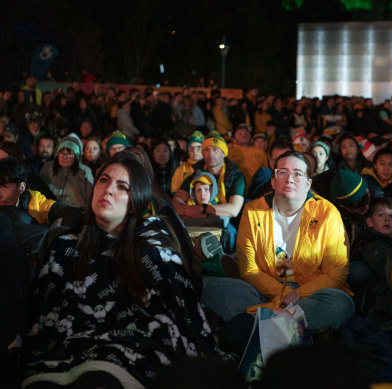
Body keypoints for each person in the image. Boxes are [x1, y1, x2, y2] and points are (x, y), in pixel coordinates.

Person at [22, 156, 213, 388]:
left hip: (131, 356)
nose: (109, 190)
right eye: (104, 180)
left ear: (135, 201)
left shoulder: (154, 250)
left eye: (122, 187)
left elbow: (175, 323)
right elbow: (43, 320)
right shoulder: (64, 245)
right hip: (65, 355)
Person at [202, 151, 354, 330]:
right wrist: (282, 295)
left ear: (308, 184)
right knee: (210, 286)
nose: (289, 179)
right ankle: (287, 329)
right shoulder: (253, 211)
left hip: (310, 294)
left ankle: (257, 327)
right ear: (273, 181)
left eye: (298, 174)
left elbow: (335, 274)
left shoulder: (328, 213)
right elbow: (249, 270)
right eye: (282, 172)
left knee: (339, 302)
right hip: (266, 290)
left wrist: (297, 294)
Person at [39, 134, 94, 209]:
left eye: (69, 153)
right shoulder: (48, 167)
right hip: (50, 211)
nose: (64, 157)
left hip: (76, 212)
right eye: (61, 153)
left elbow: (90, 198)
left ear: (76, 156)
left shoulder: (84, 172)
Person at [171, 131, 204, 195]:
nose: (194, 150)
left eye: (199, 147)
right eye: (191, 148)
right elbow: (174, 194)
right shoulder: (180, 170)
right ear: (187, 151)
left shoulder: (209, 166)